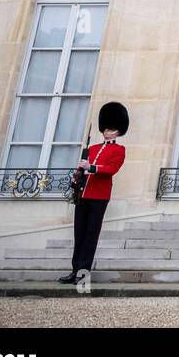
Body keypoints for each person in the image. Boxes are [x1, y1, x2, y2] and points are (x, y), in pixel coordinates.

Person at [59, 101, 128, 284]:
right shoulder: (94, 148)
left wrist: (91, 167)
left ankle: (83, 273)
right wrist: (78, 174)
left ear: (118, 131)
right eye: (105, 127)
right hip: (83, 195)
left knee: (90, 236)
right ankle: (74, 270)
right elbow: (83, 170)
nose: (106, 130)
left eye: (110, 128)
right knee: (79, 234)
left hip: (99, 197)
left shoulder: (119, 150)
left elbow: (111, 169)